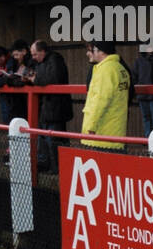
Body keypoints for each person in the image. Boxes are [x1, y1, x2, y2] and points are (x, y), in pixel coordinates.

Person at [30, 39, 71, 170]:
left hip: (56, 107)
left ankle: (59, 167)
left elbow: (54, 79)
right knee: (45, 138)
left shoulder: (55, 59)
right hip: (46, 107)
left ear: (43, 51)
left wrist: (35, 80)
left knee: (55, 139)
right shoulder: (41, 63)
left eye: (35, 54)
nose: (33, 58)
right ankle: (49, 166)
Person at [81, 41, 130, 150]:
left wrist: (90, 127)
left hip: (101, 134)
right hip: (116, 130)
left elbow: (100, 101)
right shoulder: (120, 68)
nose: (88, 54)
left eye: (92, 50)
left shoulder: (105, 70)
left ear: (100, 51)